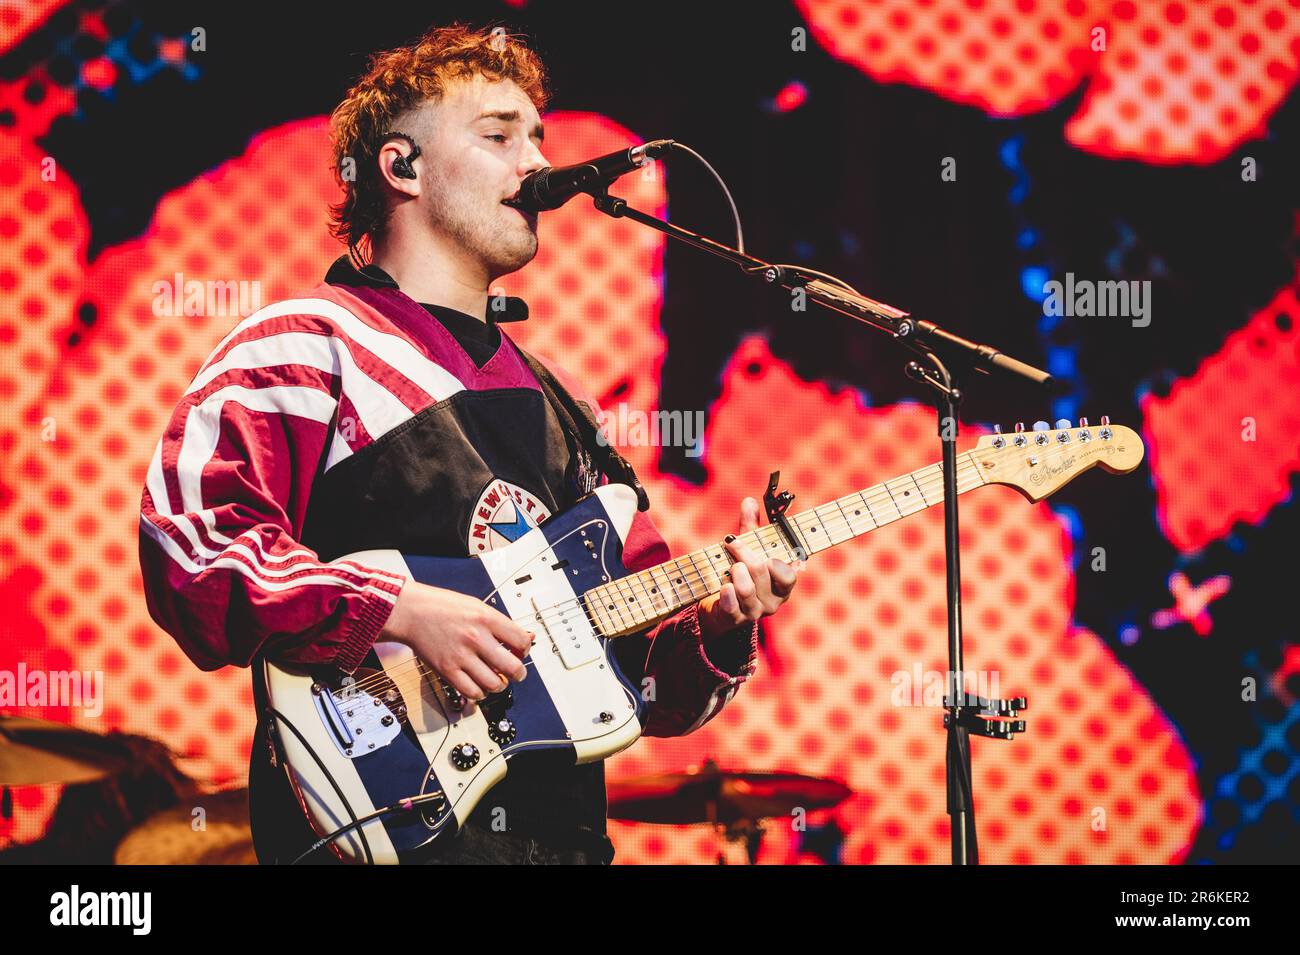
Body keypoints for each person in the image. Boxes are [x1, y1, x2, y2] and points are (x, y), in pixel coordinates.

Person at [138, 22, 800, 865]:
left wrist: (724, 624)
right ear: (401, 166)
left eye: (538, 138)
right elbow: (191, 544)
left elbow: (650, 693)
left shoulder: (562, 402)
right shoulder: (306, 341)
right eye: (498, 136)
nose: (534, 163)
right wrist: (396, 609)